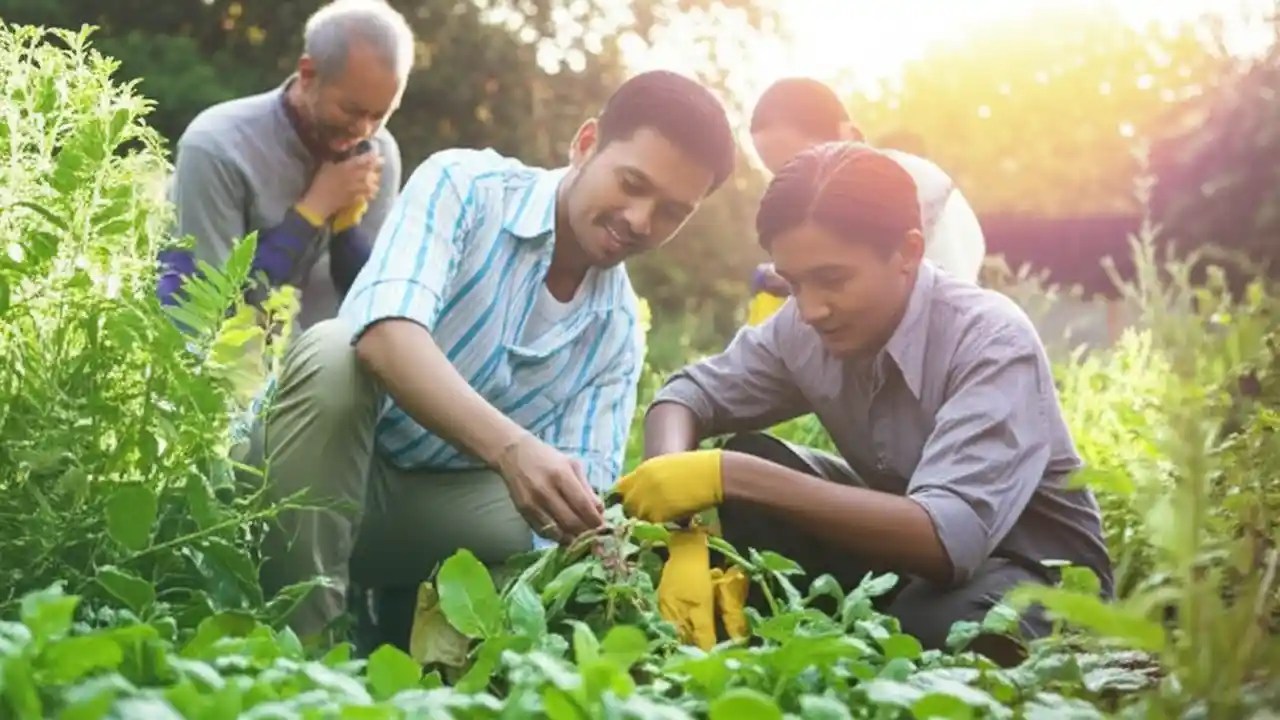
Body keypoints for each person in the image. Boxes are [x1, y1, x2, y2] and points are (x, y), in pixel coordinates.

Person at [251, 70, 738, 648]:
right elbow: (384, 334)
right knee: (338, 350)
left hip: (397, 517)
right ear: (585, 144)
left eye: (670, 212)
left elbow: (583, 520)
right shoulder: (467, 186)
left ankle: (430, 642)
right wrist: (512, 450)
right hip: (283, 479)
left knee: (558, 510)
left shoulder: (617, 331)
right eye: (632, 182)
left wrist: (651, 585)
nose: (640, 219)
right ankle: (302, 650)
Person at [614, 142, 1113, 664]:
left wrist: (727, 474)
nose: (809, 309)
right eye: (793, 281)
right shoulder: (805, 323)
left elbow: (951, 540)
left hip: (1037, 573)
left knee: (937, 626)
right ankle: (775, 636)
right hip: (910, 560)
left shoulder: (990, 339)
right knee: (759, 460)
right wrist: (681, 532)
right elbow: (686, 396)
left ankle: (861, 633)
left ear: (908, 252)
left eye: (832, 279)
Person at [157, 0, 412, 331]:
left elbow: (367, 302)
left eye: (379, 115)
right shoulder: (217, 148)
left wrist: (346, 231)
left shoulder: (378, 154)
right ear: (308, 74)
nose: (363, 130)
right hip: (214, 366)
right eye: (350, 110)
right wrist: (311, 212)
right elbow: (208, 313)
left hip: (317, 361)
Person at [742, 77, 987, 326]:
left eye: (807, 163)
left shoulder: (927, 196)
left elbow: (941, 324)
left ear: (853, 137)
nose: (796, 187)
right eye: (781, 175)